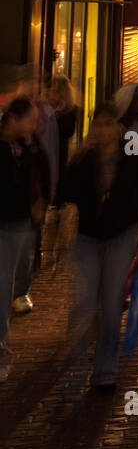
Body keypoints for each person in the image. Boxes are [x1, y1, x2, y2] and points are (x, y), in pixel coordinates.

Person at [60, 101, 138, 392]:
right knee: (84, 304)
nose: (102, 130)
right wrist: (77, 157)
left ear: (117, 127)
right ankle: (75, 366)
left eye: (107, 124)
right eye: (97, 125)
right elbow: (65, 194)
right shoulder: (85, 159)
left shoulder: (131, 155)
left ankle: (104, 370)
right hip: (87, 236)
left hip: (121, 235)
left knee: (111, 304)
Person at [0, 97, 51, 379]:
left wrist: (41, 201)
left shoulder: (29, 145)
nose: (34, 125)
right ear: (14, 119)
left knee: (5, 283)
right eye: (30, 120)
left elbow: (43, 170)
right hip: (6, 220)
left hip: (19, 222)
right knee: (2, 284)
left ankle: (2, 347)